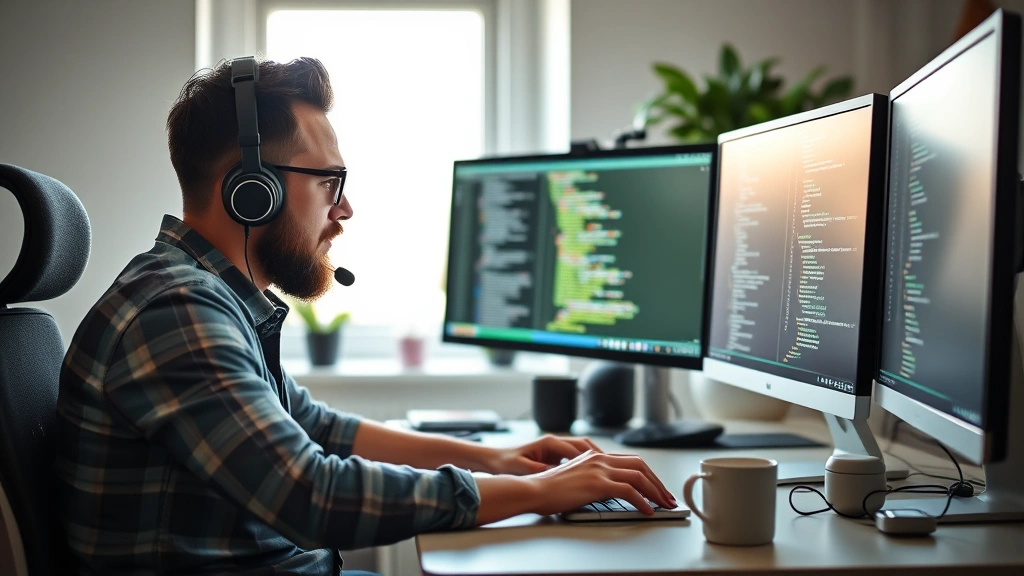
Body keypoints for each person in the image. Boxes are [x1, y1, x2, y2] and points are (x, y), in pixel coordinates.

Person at [55, 56, 676, 575]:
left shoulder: (208, 298)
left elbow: (319, 428)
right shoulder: (177, 310)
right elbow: (310, 494)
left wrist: (498, 462)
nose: (345, 208)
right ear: (251, 190)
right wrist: (541, 493)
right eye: (329, 181)